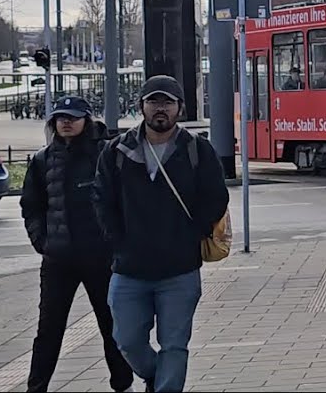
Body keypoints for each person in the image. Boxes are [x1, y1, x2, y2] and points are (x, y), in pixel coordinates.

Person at [93, 75, 229, 393]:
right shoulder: (117, 151)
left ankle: (167, 384)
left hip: (179, 269)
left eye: (167, 102)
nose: (160, 109)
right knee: (125, 340)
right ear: (141, 106)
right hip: (129, 268)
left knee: (174, 345)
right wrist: (117, 240)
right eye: (154, 101)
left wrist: (191, 234)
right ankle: (155, 374)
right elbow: (102, 199)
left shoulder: (197, 151)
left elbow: (216, 197)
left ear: (180, 107)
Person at [20, 96, 133, 393]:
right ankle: (36, 388)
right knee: (48, 331)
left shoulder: (105, 154)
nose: (65, 122)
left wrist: (117, 240)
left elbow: (124, 200)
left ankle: (123, 385)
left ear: (86, 119)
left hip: (101, 258)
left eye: (72, 117)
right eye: (60, 117)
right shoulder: (43, 159)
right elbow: (31, 206)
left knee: (112, 327)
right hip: (58, 260)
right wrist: (42, 241)